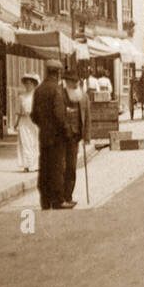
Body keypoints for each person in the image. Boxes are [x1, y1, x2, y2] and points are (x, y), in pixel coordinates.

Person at [30, 60, 73, 210]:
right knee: (56, 168)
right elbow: (59, 115)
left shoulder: (38, 90)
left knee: (45, 167)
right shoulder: (57, 90)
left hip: (44, 135)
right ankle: (58, 200)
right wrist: (66, 130)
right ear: (58, 73)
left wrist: (43, 125)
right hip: (56, 136)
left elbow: (34, 115)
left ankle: (45, 200)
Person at [61, 67, 91, 206]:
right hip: (61, 137)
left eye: (74, 81)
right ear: (66, 82)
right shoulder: (60, 95)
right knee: (62, 166)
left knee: (71, 167)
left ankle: (68, 196)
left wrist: (87, 137)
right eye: (69, 81)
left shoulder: (83, 97)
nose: (72, 84)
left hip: (75, 138)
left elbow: (87, 118)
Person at [14, 74, 41, 172]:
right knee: (25, 143)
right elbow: (18, 111)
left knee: (34, 142)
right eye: (26, 83)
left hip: (34, 121)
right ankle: (26, 165)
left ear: (34, 84)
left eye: (30, 83)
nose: (27, 85)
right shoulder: (21, 97)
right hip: (24, 121)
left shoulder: (37, 96)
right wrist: (16, 123)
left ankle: (35, 165)